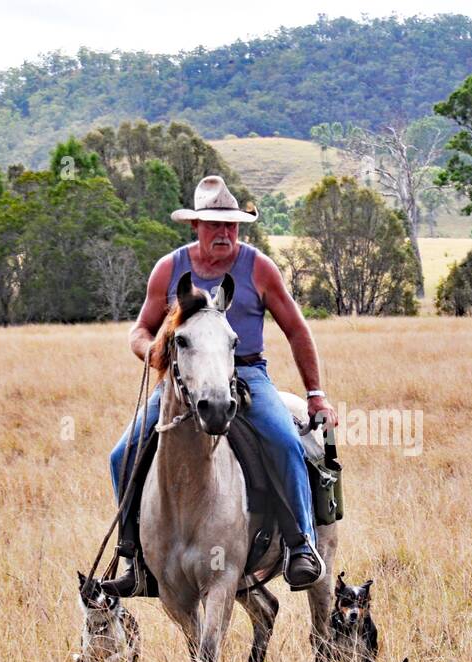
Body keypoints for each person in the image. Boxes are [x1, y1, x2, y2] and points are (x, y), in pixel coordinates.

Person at [105, 175, 338, 598]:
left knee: (286, 441)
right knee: (122, 454)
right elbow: (140, 329)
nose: (225, 233)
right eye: (215, 225)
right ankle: (133, 557)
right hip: (185, 380)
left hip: (246, 373)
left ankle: (301, 545)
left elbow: (297, 330)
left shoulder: (259, 268)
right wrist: (157, 353)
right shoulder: (169, 269)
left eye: (231, 225)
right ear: (195, 226)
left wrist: (315, 393)